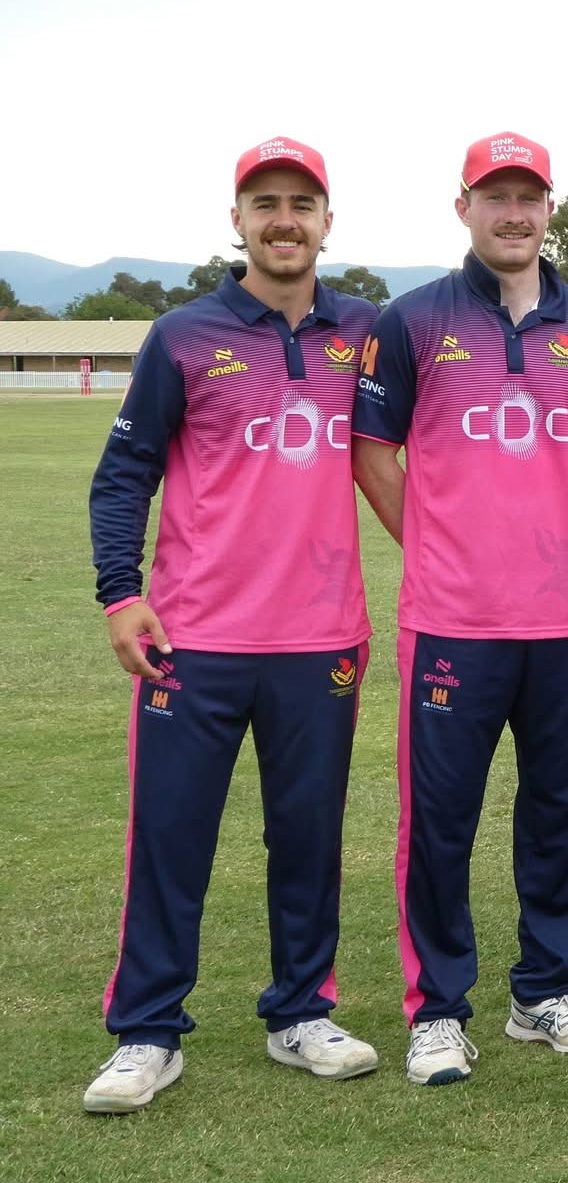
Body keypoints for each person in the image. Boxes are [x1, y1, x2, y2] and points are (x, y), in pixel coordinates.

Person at [83, 138, 380, 1113]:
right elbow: (125, 471)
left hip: (320, 637)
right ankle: (147, 1030)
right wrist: (121, 592)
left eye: (302, 203)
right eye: (266, 203)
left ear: (327, 221)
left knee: (306, 836)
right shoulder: (181, 334)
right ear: (238, 219)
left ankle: (301, 1010)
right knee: (172, 837)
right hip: (195, 638)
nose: (284, 219)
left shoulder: (367, 337)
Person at [352, 133, 568, 1085]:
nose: (513, 213)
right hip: (453, 619)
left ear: (549, 207)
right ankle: (437, 1008)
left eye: (530, 196)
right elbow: (373, 453)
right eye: (495, 196)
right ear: (465, 205)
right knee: (441, 818)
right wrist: (442, 542)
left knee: (559, 807)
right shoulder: (412, 320)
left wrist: (551, 536)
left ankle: (544, 989)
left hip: (566, 618)